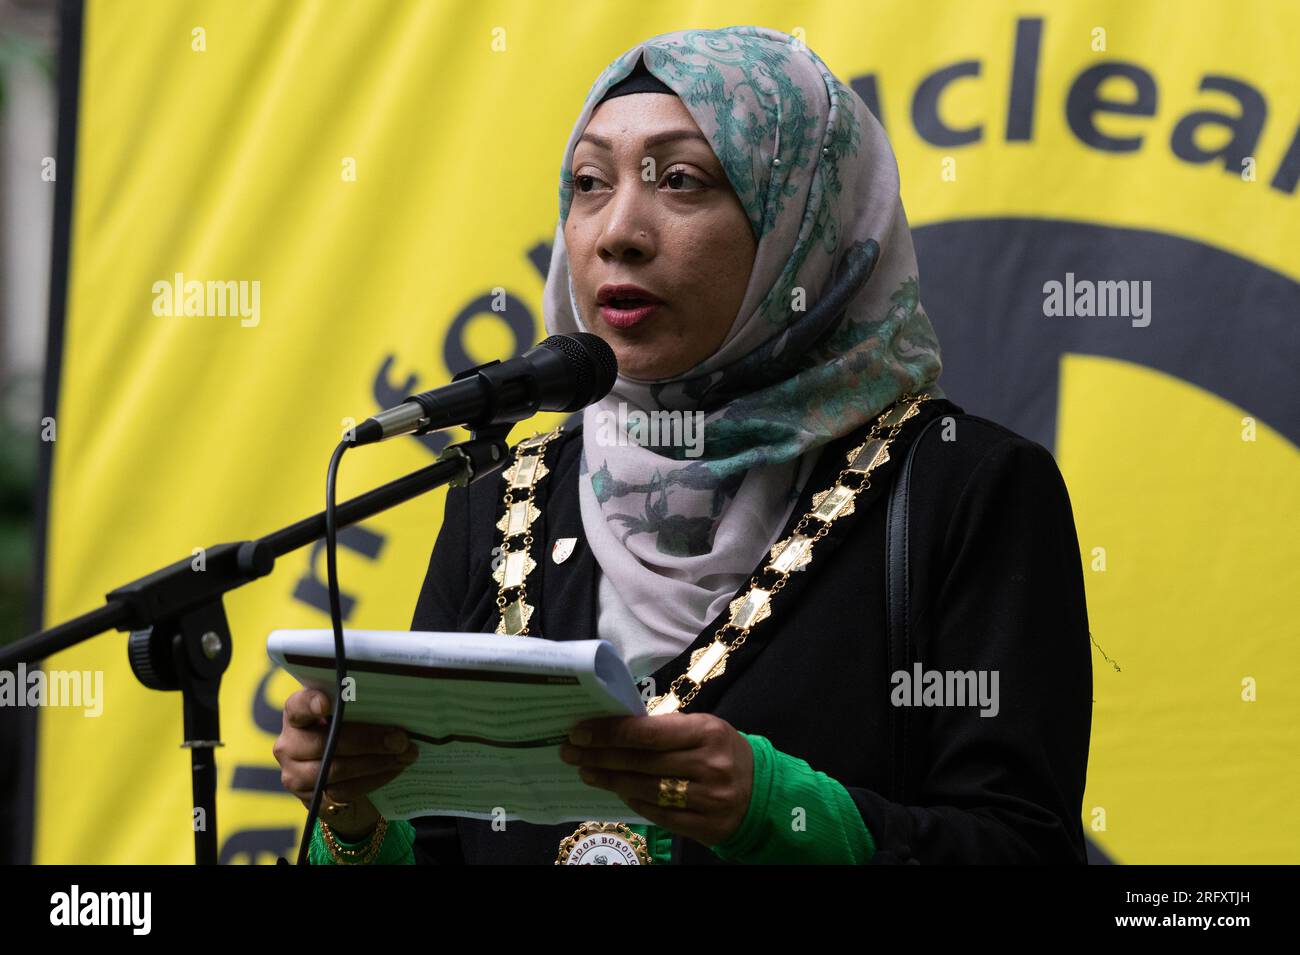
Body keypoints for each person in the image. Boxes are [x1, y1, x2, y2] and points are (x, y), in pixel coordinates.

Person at [274, 25, 1092, 865]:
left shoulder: (965, 489)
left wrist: (777, 810)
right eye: (589, 183)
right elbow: (444, 849)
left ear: (800, 221)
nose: (617, 232)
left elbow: (1023, 849)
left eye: (682, 181)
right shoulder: (500, 498)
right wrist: (356, 817)